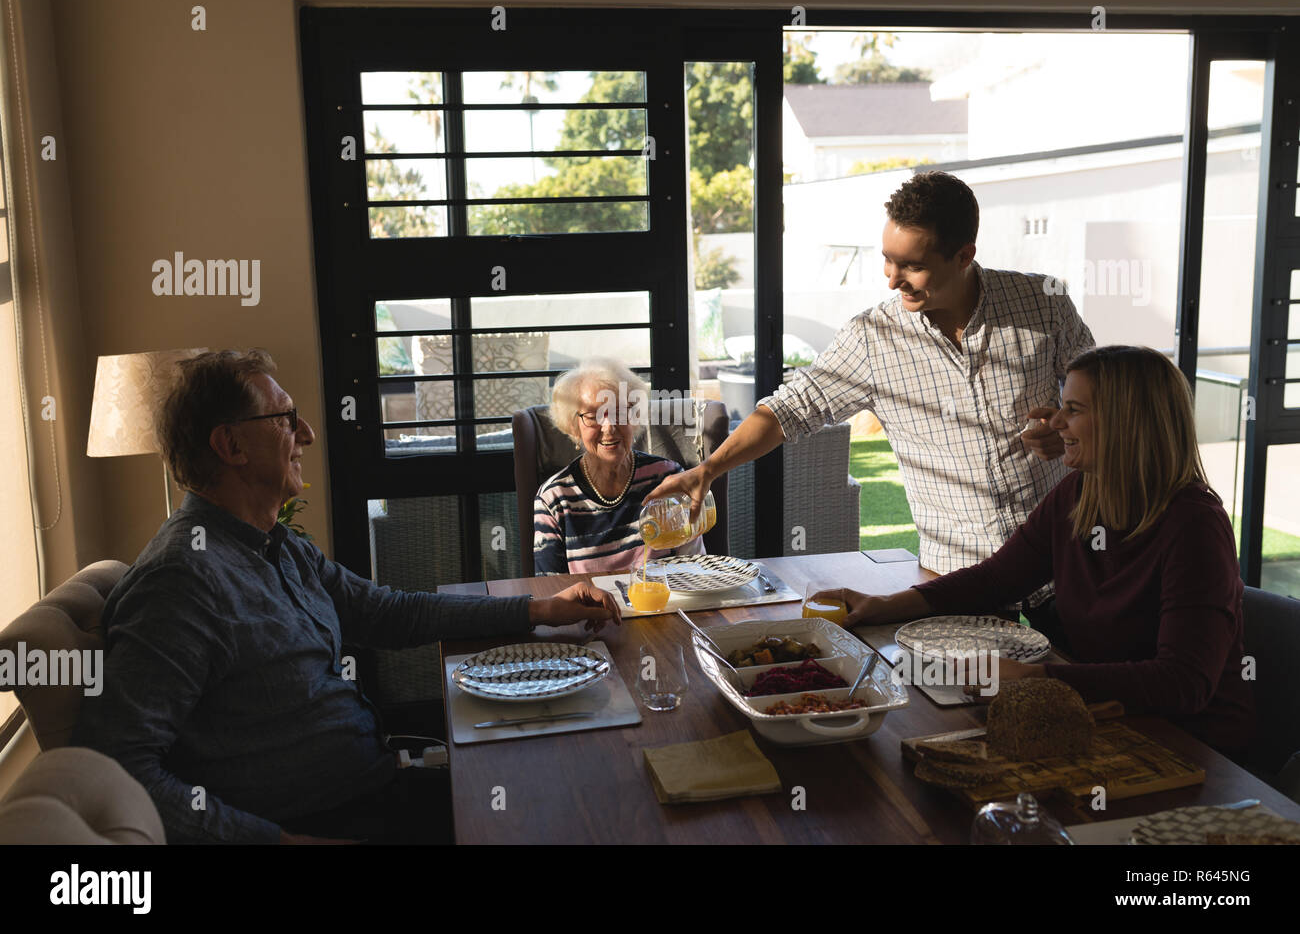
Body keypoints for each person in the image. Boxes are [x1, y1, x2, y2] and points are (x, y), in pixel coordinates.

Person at [75, 349, 620, 844]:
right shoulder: (181, 582)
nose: (307, 433)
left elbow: (387, 612)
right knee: (566, 817)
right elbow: (117, 769)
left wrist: (538, 608)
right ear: (230, 444)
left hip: (375, 788)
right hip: (327, 823)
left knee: (572, 789)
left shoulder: (276, 544)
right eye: (285, 419)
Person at [648, 171, 1095, 616]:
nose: (892, 278)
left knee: (1083, 682)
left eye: (913, 266)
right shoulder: (872, 337)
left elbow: (1105, 398)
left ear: (963, 256)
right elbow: (787, 410)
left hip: (1065, 561)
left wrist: (1070, 430)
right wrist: (707, 469)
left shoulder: (1043, 303)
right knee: (971, 688)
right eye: (888, 259)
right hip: (957, 581)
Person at [826, 346, 1254, 754]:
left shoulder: (1194, 526)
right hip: (1101, 719)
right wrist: (885, 605)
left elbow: (1182, 683)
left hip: (1190, 749)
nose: (1056, 423)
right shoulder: (1079, 493)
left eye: (1074, 410)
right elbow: (998, 578)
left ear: (1127, 422)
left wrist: (1038, 676)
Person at [534, 358, 704, 575]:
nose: (609, 427)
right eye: (594, 415)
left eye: (620, 412)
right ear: (573, 426)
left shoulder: (669, 479)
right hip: (588, 609)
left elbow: (695, 570)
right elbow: (552, 592)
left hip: (664, 606)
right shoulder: (553, 499)